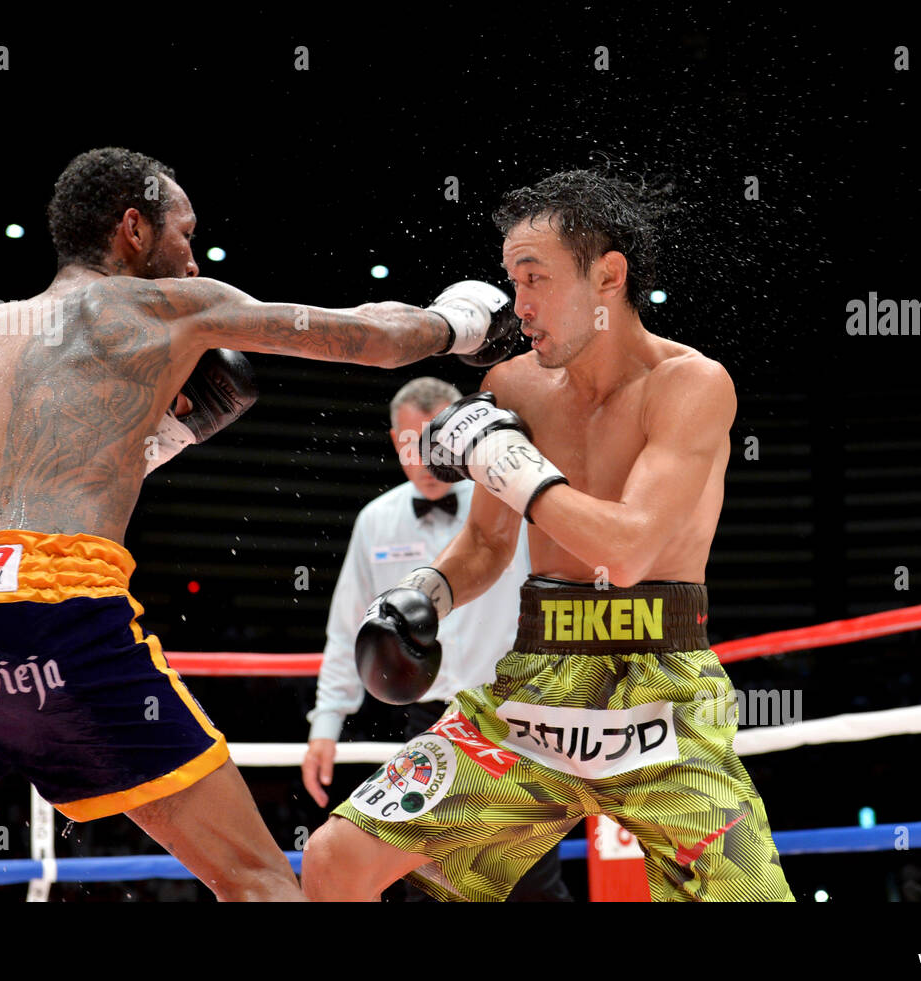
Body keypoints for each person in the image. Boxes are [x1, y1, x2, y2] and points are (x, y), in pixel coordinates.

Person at [0, 146, 517, 902]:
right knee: (259, 881)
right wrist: (461, 321)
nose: (193, 255)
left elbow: (29, 478)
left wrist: (159, 440)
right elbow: (370, 338)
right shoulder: (158, 306)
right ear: (133, 229)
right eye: (185, 232)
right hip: (51, 623)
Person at [301, 168, 795, 902]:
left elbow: (626, 552)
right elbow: (487, 546)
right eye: (511, 281)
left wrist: (509, 463)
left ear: (609, 276)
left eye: (534, 279)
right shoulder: (513, 387)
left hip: (664, 693)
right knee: (336, 858)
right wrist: (421, 596)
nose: (518, 305)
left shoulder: (690, 385)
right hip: (536, 684)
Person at [302, 376, 570, 901]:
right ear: (392, 439)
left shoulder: (508, 502)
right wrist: (326, 722)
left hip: (515, 715)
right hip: (431, 723)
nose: (423, 460)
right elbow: (348, 627)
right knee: (424, 880)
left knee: (527, 882)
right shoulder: (376, 520)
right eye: (408, 444)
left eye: (436, 443)